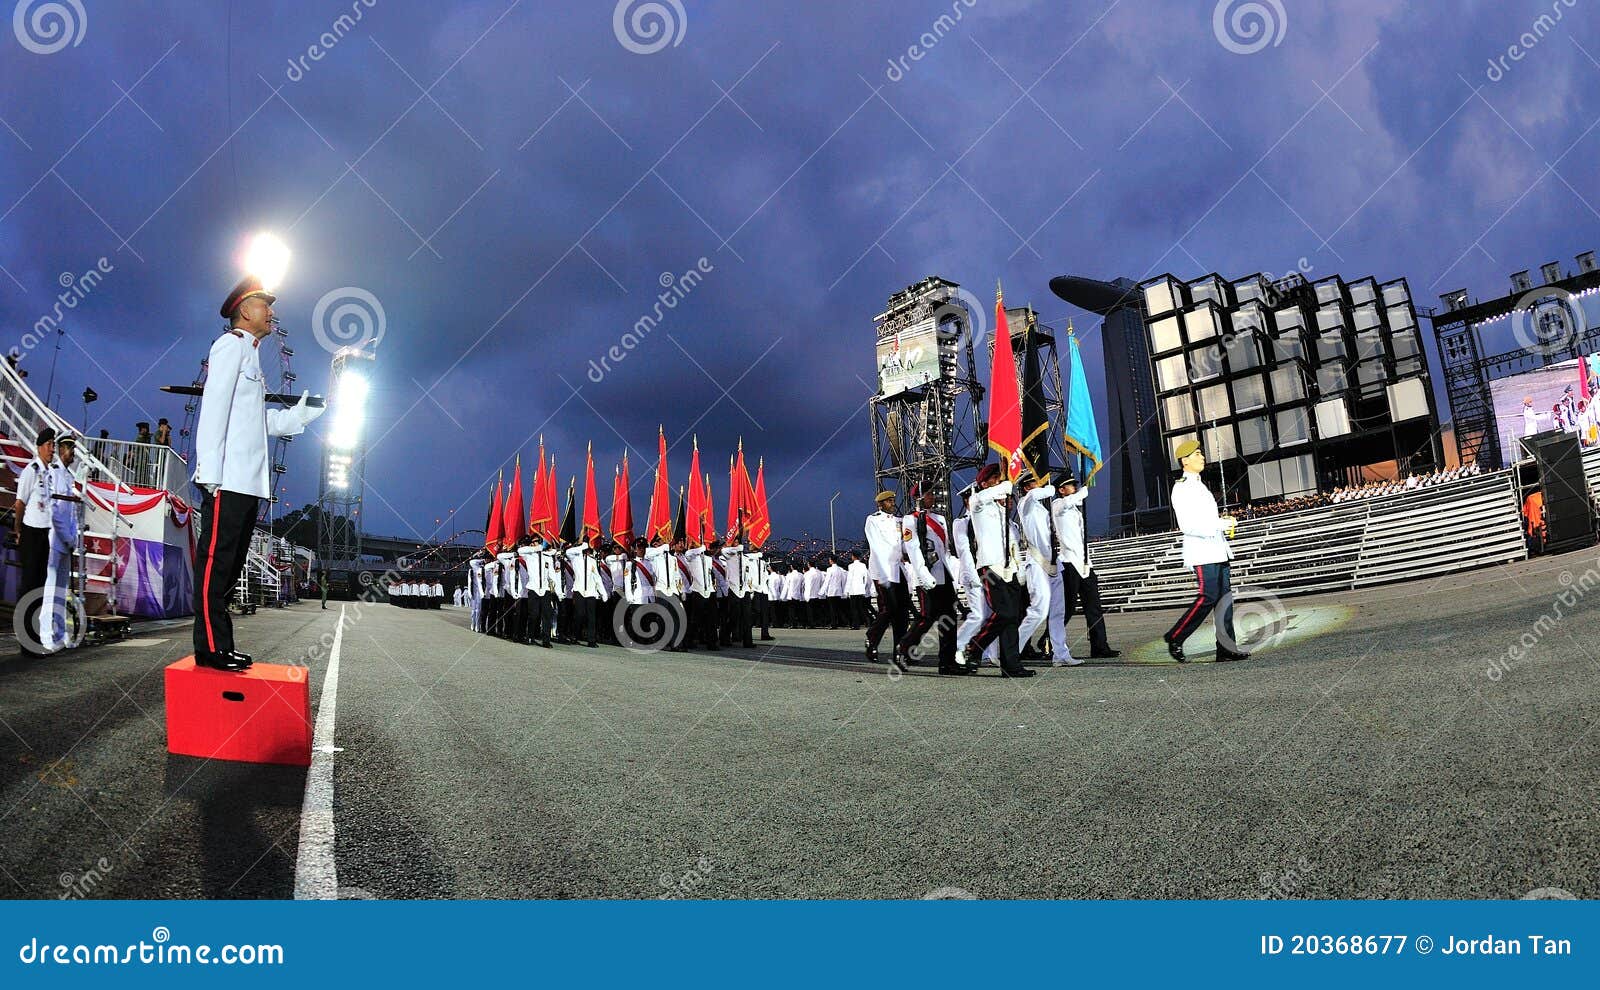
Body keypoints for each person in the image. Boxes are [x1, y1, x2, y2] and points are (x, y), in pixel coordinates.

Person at [191, 276, 324, 670]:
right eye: (265, 305)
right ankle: (210, 648)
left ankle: (221, 643)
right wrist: (210, 473)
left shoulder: (249, 356)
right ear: (245, 310)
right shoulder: (229, 348)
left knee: (229, 570)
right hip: (227, 479)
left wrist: (300, 415)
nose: (272, 312)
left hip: (247, 483)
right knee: (216, 566)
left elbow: (256, 421)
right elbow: (213, 410)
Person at [1163, 439, 1248, 663]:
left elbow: (1206, 519)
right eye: (1197, 454)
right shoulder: (1181, 488)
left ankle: (1227, 648)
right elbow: (1187, 526)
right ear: (1185, 461)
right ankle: (1175, 636)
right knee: (1208, 596)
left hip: (1217, 550)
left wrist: (1223, 522)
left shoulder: (1200, 485)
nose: (1202, 456)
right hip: (1201, 552)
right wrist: (1220, 524)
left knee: (1224, 601)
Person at [963, 464, 1033, 678]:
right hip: (991, 566)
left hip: (1009, 567)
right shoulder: (977, 502)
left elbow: (1012, 542)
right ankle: (975, 646)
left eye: (999, 478)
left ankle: (1011, 665)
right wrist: (1006, 484)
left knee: (1012, 618)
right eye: (994, 478)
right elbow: (987, 496)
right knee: (1004, 613)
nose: (998, 482)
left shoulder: (1002, 510)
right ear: (984, 483)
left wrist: (1019, 568)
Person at [1048, 472, 1118, 664]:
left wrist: (1080, 495)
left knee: (1094, 606)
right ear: (1061, 490)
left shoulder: (1075, 509)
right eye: (1070, 485)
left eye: (1075, 485)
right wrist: (1082, 493)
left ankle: (1100, 646)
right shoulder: (1058, 505)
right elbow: (1070, 501)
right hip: (1069, 563)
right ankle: (1047, 642)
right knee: (1067, 608)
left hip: (1084, 563)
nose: (1075, 487)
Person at [901, 484, 966, 674]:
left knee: (949, 619)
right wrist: (923, 574)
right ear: (919, 498)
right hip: (927, 574)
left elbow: (944, 550)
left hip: (942, 572)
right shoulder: (910, 520)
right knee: (927, 618)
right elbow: (912, 548)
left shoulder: (939, 519)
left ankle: (947, 663)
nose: (933, 496)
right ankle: (904, 649)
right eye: (928, 494)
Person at [11, 427, 56, 657]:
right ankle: (25, 639)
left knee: (39, 586)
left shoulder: (49, 474)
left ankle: (34, 638)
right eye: (49, 445)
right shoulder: (32, 470)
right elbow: (20, 503)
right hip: (30, 532)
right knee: (28, 585)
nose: (52, 449)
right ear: (40, 446)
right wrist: (17, 529)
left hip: (44, 534)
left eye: (53, 445)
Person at [42, 435, 82, 653]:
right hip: (55, 540)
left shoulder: (68, 475)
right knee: (50, 591)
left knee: (61, 591)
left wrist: (74, 537)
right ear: (61, 449)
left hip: (66, 542)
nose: (73, 453)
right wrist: (67, 537)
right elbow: (55, 511)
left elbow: (72, 511)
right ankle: (46, 635)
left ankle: (59, 634)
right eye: (70, 448)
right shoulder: (54, 473)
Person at [863, 490, 909, 669]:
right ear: (880, 504)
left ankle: (900, 651)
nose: (892, 503)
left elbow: (903, 545)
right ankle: (872, 639)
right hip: (883, 570)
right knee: (889, 608)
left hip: (899, 569)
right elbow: (877, 546)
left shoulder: (900, 521)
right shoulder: (873, 520)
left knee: (902, 612)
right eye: (888, 501)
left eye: (893, 500)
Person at [1013, 471, 1054, 660]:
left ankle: (1060, 653)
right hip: (1036, 562)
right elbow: (1035, 494)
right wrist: (1050, 488)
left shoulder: (1039, 507)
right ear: (1026, 486)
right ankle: (1014, 649)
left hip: (1049, 561)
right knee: (1038, 610)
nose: (1039, 484)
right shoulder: (1025, 503)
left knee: (1056, 610)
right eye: (1035, 482)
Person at [844, 551, 869, 629]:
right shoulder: (863, 565)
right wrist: (863, 586)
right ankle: (868, 621)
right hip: (860, 589)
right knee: (860, 607)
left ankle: (856, 625)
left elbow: (849, 579)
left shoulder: (851, 566)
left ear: (854, 557)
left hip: (853, 589)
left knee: (854, 608)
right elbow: (866, 577)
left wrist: (846, 590)